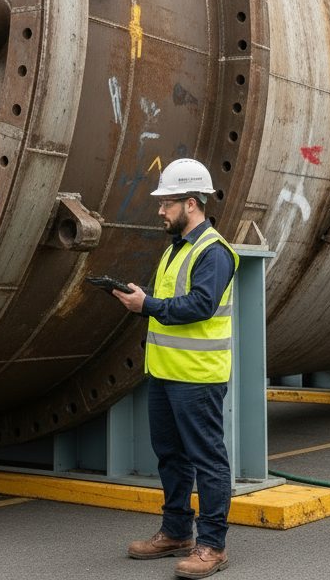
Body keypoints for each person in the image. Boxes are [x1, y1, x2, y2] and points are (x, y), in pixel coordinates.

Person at [115, 158, 239, 579]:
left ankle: (212, 546)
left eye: (166, 203)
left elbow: (200, 305)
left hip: (198, 377)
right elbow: (175, 301)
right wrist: (144, 297)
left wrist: (147, 305)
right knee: (170, 455)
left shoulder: (214, 251)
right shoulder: (176, 248)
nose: (160, 211)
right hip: (166, 374)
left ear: (191, 203)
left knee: (207, 459)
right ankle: (176, 532)